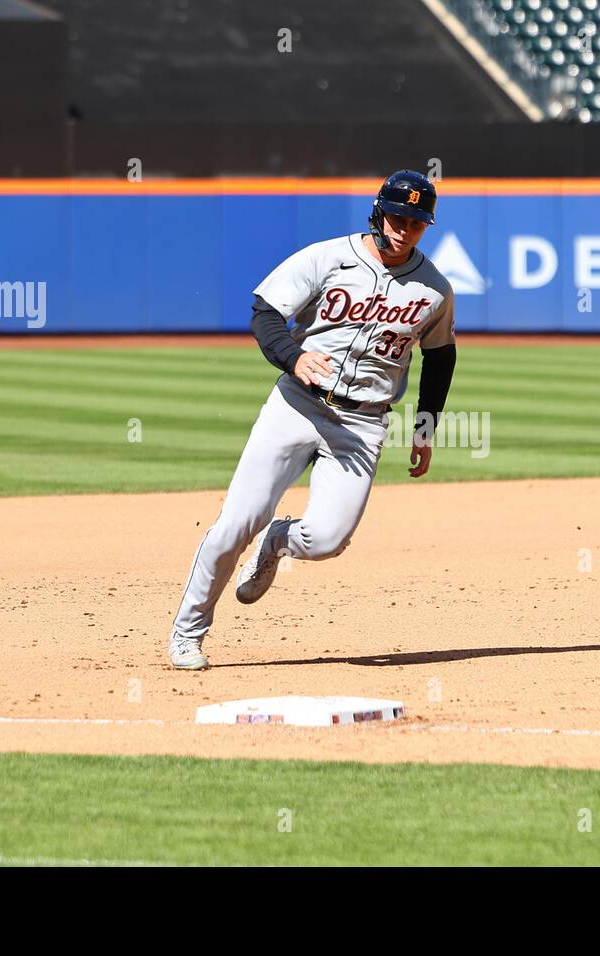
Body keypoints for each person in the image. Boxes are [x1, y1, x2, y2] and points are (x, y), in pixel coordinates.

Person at [167, 170, 457, 669]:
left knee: (326, 540)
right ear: (378, 211)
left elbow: (441, 355)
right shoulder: (328, 257)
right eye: (397, 216)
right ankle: (188, 632)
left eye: (415, 221)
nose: (403, 228)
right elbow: (264, 313)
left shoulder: (434, 290)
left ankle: (278, 540)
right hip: (297, 405)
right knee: (236, 522)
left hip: (362, 427)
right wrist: (292, 357)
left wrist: (426, 427)